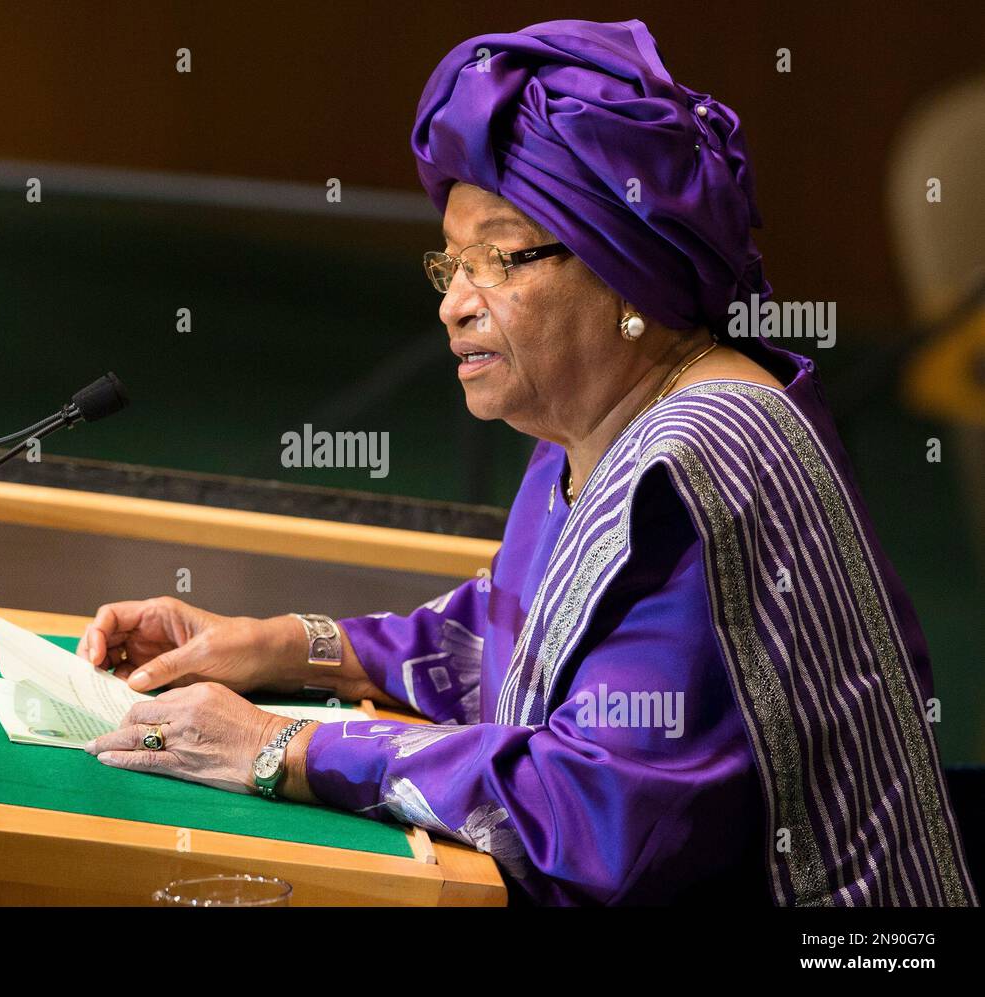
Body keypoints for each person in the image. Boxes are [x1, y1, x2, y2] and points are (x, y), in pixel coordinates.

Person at [77, 18, 976, 906]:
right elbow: (523, 642)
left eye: (497, 260)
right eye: (449, 265)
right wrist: (288, 647)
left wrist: (284, 749)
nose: (454, 306)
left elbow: (599, 813)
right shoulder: (591, 427)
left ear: (625, 269)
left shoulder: (699, 466)